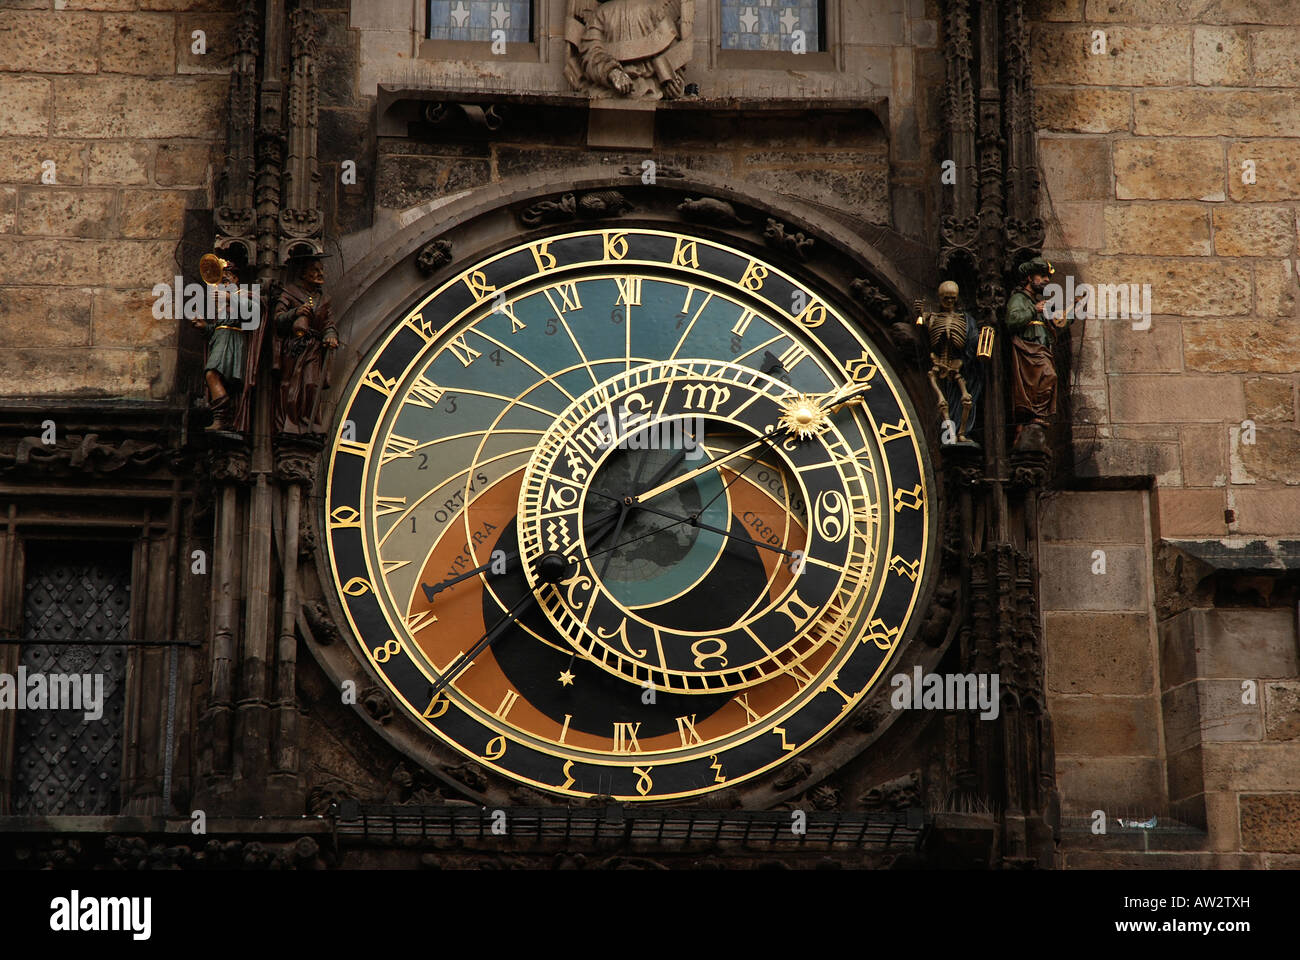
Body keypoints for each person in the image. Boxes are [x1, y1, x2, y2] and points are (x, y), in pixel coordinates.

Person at [273, 252, 337, 435]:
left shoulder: (324, 299)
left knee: (311, 385)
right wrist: (295, 313)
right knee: (291, 384)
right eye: (315, 270)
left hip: (314, 348)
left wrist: (330, 335)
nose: (320, 274)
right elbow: (277, 319)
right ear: (303, 273)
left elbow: (329, 323)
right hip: (294, 347)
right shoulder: (290, 292)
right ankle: (290, 423)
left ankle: (308, 422)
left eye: (321, 270)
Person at [1004, 257, 1068, 442]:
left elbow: (1053, 327)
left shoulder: (1037, 302)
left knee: (1047, 377)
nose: (1047, 280)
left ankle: (1031, 418)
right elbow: (1011, 321)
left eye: (1048, 277)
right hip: (1027, 351)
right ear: (1030, 277)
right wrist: (1034, 309)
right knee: (1047, 376)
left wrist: (1069, 314)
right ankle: (1029, 417)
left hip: (1040, 349)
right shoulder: (1019, 298)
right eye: (1042, 276)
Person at [191, 258, 256, 432]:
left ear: (236, 279)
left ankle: (223, 414)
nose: (222, 285)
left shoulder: (244, 294)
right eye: (220, 283)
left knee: (211, 374)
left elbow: (253, 312)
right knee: (216, 377)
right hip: (220, 338)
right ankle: (223, 418)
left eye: (226, 281)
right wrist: (205, 327)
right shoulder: (220, 302)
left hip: (232, 339)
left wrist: (229, 297)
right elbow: (217, 327)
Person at [578, 0, 687, 99]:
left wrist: (672, 84)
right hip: (608, 92)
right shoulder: (602, 13)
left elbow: (672, 54)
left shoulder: (656, 10)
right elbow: (590, 51)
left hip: (652, 91)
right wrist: (611, 72)